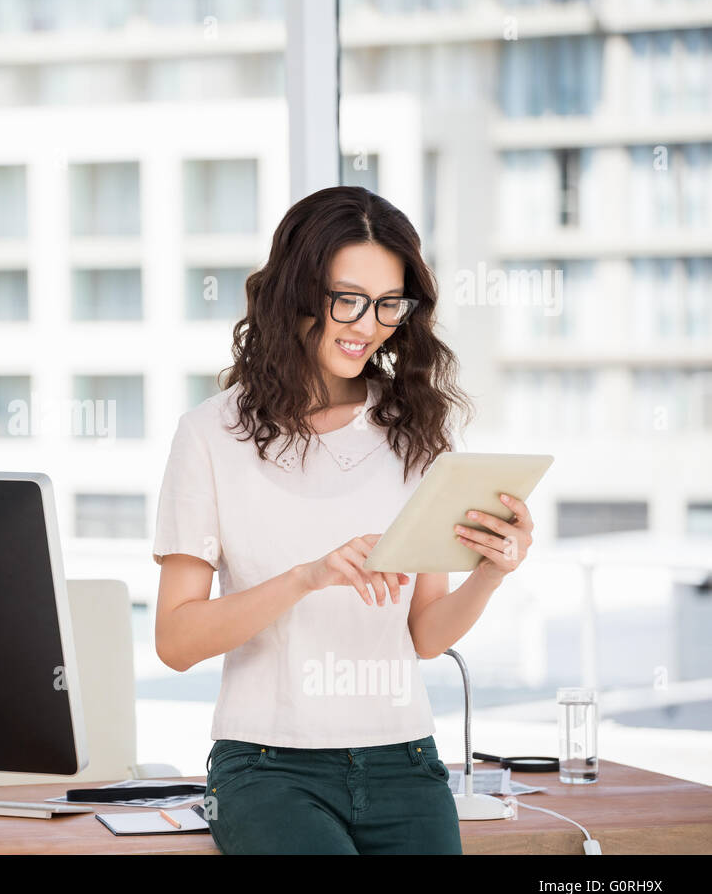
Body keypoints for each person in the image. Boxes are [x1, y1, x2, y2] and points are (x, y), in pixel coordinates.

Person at [151, 185, 536, 854]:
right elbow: (176, 641)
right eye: (347, 299)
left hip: (405, 761)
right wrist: (305, 577)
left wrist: (492, 575)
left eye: (389, 305)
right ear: (295, 293)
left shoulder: (416, 432)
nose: (368, 324)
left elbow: (422, 634)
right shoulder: (210, 436)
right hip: (267, 767)